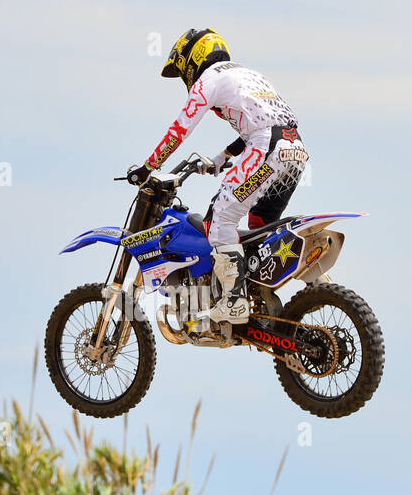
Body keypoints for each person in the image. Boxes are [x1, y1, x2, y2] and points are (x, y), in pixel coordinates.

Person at [126, 28, 308, 325]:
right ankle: (265, 299)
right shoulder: (246, 74)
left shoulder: (208, 80)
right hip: (295, 149)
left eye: (183, 71)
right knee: (258, 229)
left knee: (219, 218)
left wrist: (147, 167)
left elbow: (179, 131)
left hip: (268, 148)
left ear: (193, 60)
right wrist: (222, 157)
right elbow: (265, 121)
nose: (185, 79)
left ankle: (234, 302)